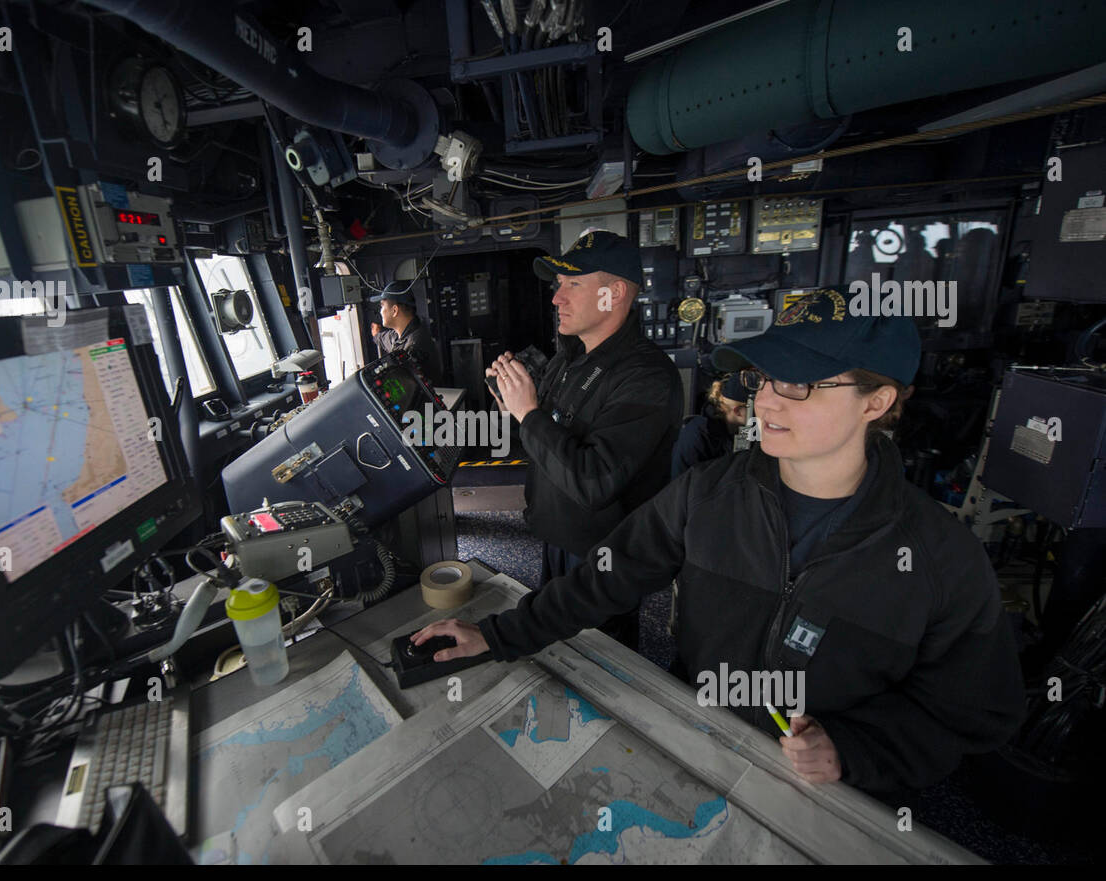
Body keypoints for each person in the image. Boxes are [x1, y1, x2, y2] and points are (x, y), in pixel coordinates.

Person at [418, 288, 1025, 801]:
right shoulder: (707, 494)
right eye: (764, 379)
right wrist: (498, 635)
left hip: (831, 796)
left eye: (798, 384)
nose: (764, 401)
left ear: (878, 400)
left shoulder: (942, 559)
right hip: (699, 747)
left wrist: (853, 748)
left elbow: (973, 713)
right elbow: (606, 576)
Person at [485, 229, 682, 651]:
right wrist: (516, 406)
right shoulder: (570, 357)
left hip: (601, 558)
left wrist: (529, 414)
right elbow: (550, 435)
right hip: (557, 537)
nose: (557, 298)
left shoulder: (647, 377)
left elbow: (594, 482)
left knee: (600, 662)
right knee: (554, 645)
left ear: (614, 294)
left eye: (573, 284)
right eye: (559, 285)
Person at [669, 371, 751, 481]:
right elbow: (680, 482)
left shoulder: (743, 431)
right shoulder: (697, 434)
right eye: (753, 408)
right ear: (738, 411)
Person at [368, 280, 441, 381]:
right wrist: (376, 334)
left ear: (394, 310)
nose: (380, 311)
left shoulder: (413, 348)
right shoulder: (400, 336)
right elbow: (385, 338)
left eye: (382, 306)